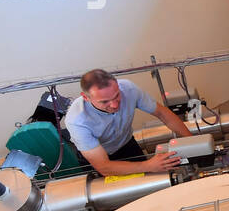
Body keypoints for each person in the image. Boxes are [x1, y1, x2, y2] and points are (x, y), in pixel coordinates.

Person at [63, 69, 191, 175]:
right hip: (98, 158)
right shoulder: (77, 120)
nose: (114, 105)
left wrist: (192, 141)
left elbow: (162, 113)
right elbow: (104, 167)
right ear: (86, 97)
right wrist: (148, 165)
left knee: (149, 180)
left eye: (116, 96)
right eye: (104, 101)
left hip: (126, 144)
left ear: (118, 86)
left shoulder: (129, 89)